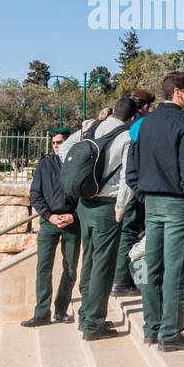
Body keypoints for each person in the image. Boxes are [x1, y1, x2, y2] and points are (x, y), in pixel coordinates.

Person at [125, 71, 184, 351]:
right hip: (176, 203)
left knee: (152, 266)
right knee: (175, 269)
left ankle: (151, 326)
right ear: (177, 92)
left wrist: (143, 193)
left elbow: (131, 170)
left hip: (152, 203)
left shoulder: (144, 124)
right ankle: (170, 333)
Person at [59, 96, 138, 341]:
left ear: (113, 111)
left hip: (85, 202)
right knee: (104, 264)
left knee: (90, 258)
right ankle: (94, 323)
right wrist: (122, 206)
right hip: (107, 207)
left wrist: (79, 176)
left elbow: (63, 149)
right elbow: (128, 176)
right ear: (132, 118)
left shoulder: (89, 126)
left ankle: (86, 315)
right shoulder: (127, 137)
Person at [22, 128, 80, 327]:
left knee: (70, 268)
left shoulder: (78, 164)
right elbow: (35, 195)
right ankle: (41, 313)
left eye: (61, 142)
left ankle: (61, 309)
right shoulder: (44, 164)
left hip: (72, 223)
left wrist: (74, 216)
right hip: (49, 223)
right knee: (44, 268)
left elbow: (87, 195)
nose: (57, 146)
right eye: (54, 143)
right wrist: (50, 216)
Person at [112, 89, 156, 296]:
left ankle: (126, 279)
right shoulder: (141, 125)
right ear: (145, 106)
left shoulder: (122, 125)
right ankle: (123, 281)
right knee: (131, 234)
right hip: (135, 189)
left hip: (125, 187)